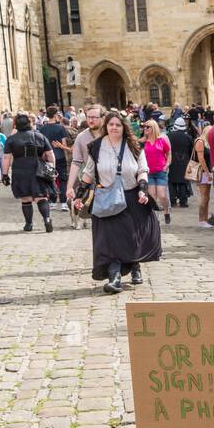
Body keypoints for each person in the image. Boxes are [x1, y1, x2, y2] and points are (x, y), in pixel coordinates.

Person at [74, 111, 162, 294]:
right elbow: (88, 173)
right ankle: (115, 278)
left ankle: (135, 264)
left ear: (124, 127)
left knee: (131, 237)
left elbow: (142, 170)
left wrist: (143, 190)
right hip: (106, 199)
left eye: (118, 125)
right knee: (108, 242)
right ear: (106, 126)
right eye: (111, 124)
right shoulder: (96, 147)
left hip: (131, 198)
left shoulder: (134, 145)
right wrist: (78, 196)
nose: (114, 127)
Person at [2, 112, 56, 233]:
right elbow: (50, 154)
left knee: (26, 198)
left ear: (15, 125)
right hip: (38, 168)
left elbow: (6, 158)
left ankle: (29, 224)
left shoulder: (11, 139)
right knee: (41, 197)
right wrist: (52, 169)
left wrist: (4, 174)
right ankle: (47, 219)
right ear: (30, 123)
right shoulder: (40, 136)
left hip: (20, 169)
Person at [67, 104, 105, 229]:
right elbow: (76, 162)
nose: (91, 120)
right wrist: (70, 186)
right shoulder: (81, 137)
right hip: (89, 180)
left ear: (103, 118)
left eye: (94, 117)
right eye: (89, 117)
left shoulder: (110, 134)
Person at [143, 118, 172, 225]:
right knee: (152, 196)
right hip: (149, 173)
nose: (145, 129)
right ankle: (155, 219)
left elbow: (169, 153)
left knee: (162, 196)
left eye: (147, 127)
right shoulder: (143, 141)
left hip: (161, 172)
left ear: (153, 128)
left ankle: (167, 211)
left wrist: (167, 164)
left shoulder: (162, 140)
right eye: (144, 127)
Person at [41, 106, 71, 207]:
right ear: (55, 115)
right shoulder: (60, 128)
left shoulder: (42, 128)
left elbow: (41, 146)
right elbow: (64, 145)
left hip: (48, 158)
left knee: (50, 179)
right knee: (63, 180)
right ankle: (63, 203)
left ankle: (52, 201)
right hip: (60, 156)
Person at [168, 115, 194, 208]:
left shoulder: (169, 136)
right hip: (184, 160)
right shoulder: (188, 137)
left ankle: (172, 201)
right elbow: (191, 151)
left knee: (171, 181)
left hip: (171, 160)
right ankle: (183, 201)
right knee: (183, 181)